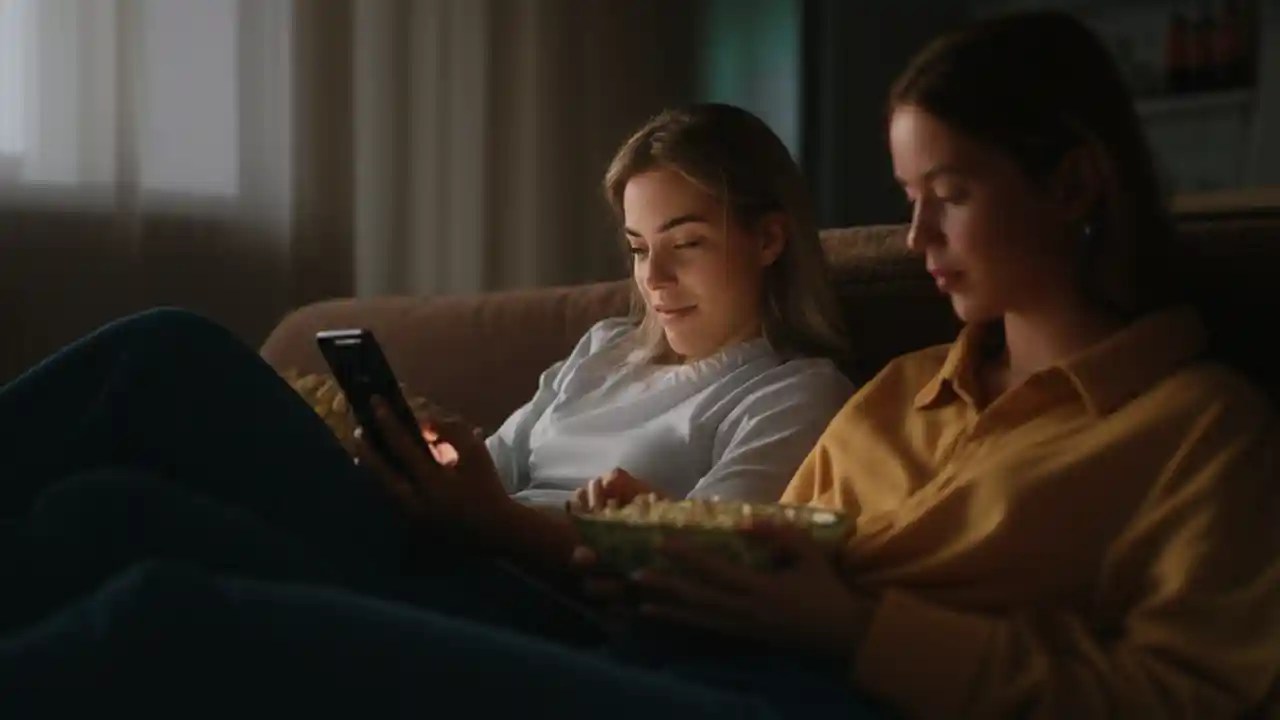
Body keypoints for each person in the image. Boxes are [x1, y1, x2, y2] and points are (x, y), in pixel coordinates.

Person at [5, 11, 1279, 719]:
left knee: (163, 616)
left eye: (947, 194)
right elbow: (771, 547)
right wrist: (655, 546)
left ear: (1072, 184)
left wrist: (864, 630)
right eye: (906, 196)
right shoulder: (906, 396)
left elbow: (1195, 697)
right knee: (110, 509)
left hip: (809, 703)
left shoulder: (1192, 433)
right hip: (650, 641)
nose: (912, 241)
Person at [0, 103, 853, 625]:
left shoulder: (795, 392)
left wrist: (493, 520)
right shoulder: (604, 353)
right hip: (437, 543)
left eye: (687, 245)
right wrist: (426, 456)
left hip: (531, 602)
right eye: (636, 249)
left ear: (770, 237)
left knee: (170, 350)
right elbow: (499, 463)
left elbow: (699, 580)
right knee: (101, 511)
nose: (653, 280)